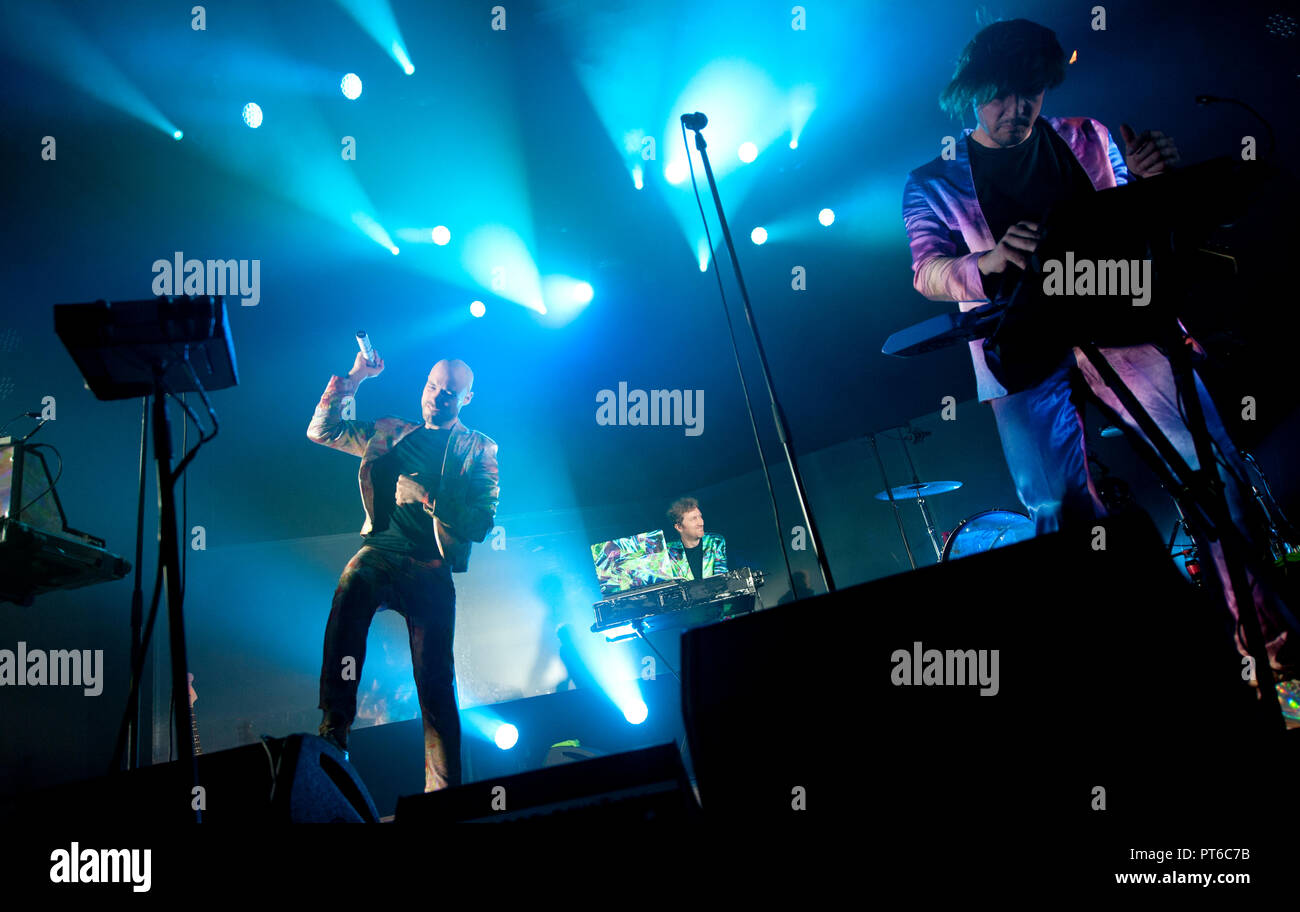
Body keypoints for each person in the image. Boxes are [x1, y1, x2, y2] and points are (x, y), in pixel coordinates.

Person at [901, 17, 1299, 700]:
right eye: (1002, 96)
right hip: (1020, 345)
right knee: (1059, 507)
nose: (1018, 110)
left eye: (1032, 94)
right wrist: (990, 261)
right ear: (971, 94)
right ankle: (1123, 679)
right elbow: (927, 271)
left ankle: (1271, 652)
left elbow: (1133, 216)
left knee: (1212, 473)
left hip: (1122, 318)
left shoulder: (1089, 135)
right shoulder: (932, 182)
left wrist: (1152, 182)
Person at [307, 350, 499, 790]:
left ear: (467, 399)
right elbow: (321, 430)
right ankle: (335, 727)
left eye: (450, 394)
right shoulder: (390, 430)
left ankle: (444, 791)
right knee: (350, 591)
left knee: (435, 681)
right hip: (380, 550)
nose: (437, 398)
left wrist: (428, 497)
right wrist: (355, 377)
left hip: (430, 566)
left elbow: (482, 523)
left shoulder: (479, 447)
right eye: (432, 387)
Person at [664, 497, 727, 581]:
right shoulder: (668, 551)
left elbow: (722, 578)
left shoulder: (715, 541)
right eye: (694, 519)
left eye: (700, 517)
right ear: (679, 527)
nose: (701, 523)